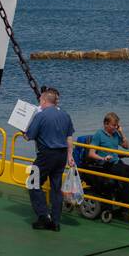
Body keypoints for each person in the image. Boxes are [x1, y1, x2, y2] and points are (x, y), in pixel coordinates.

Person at [23, 87, 75, 231]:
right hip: (62, 155)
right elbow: (69, 138)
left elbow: (29, 136)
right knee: (56, 188)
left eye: (40, 100)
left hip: (46, 154)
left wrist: (23, 130)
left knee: (33, 183)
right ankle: (56, 222)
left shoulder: (41, 116)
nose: (39, 103)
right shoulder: (65, 115)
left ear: (45, 100)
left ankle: (43, 216)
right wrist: (70, 156)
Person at [84, 111, 129, 211]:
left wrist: (121, 132)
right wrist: (103, 158)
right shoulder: (99, 134)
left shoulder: (115, 134)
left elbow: (127, 146)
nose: (115, 127)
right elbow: (91, 153)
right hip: (105, 164)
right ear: (106, 124)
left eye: (117, 125)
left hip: (116, 162)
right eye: (113, 125)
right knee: (123, 174)